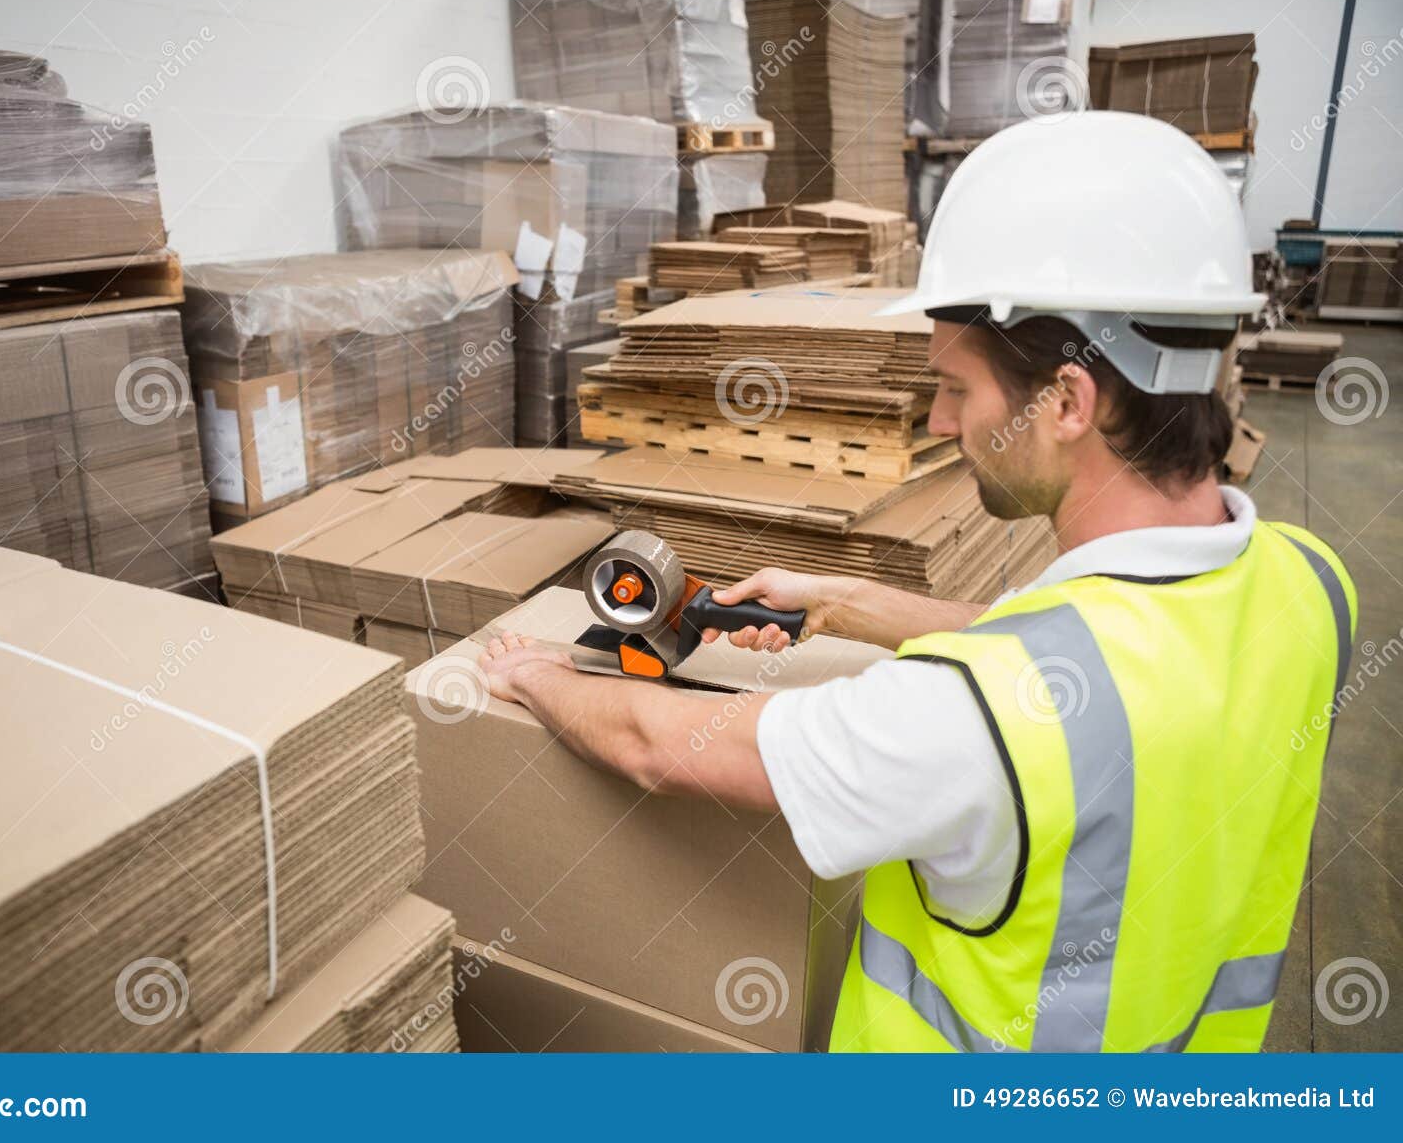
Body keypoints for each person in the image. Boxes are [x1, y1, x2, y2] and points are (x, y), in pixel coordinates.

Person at [476, 113, 1356, 1052]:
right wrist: (852, 603)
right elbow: (1111, 667)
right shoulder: (1312, 584)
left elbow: (665, 744)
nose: (940, 419)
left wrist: (537, 672)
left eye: (957, 387)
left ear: (1066, 401)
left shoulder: (965, 721)